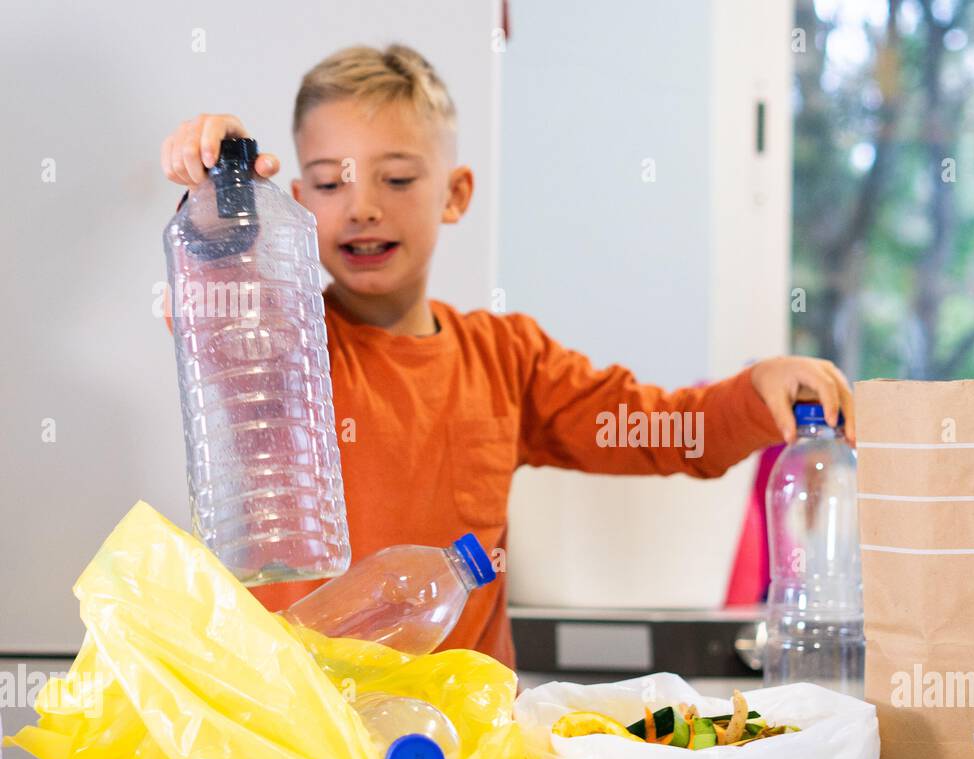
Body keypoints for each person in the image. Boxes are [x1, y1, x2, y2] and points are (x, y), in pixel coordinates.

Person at [159, 44, 856, 669]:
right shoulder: (285, 343)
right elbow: (223, 303)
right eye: (332, 184)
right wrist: (226, 195)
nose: (363, 207)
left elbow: (661, 431)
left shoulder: (507, 360)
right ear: (300, 203)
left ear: (455, 194)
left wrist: (757, 391)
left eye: (397, 180)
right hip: (299, 738)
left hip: (459, 747)